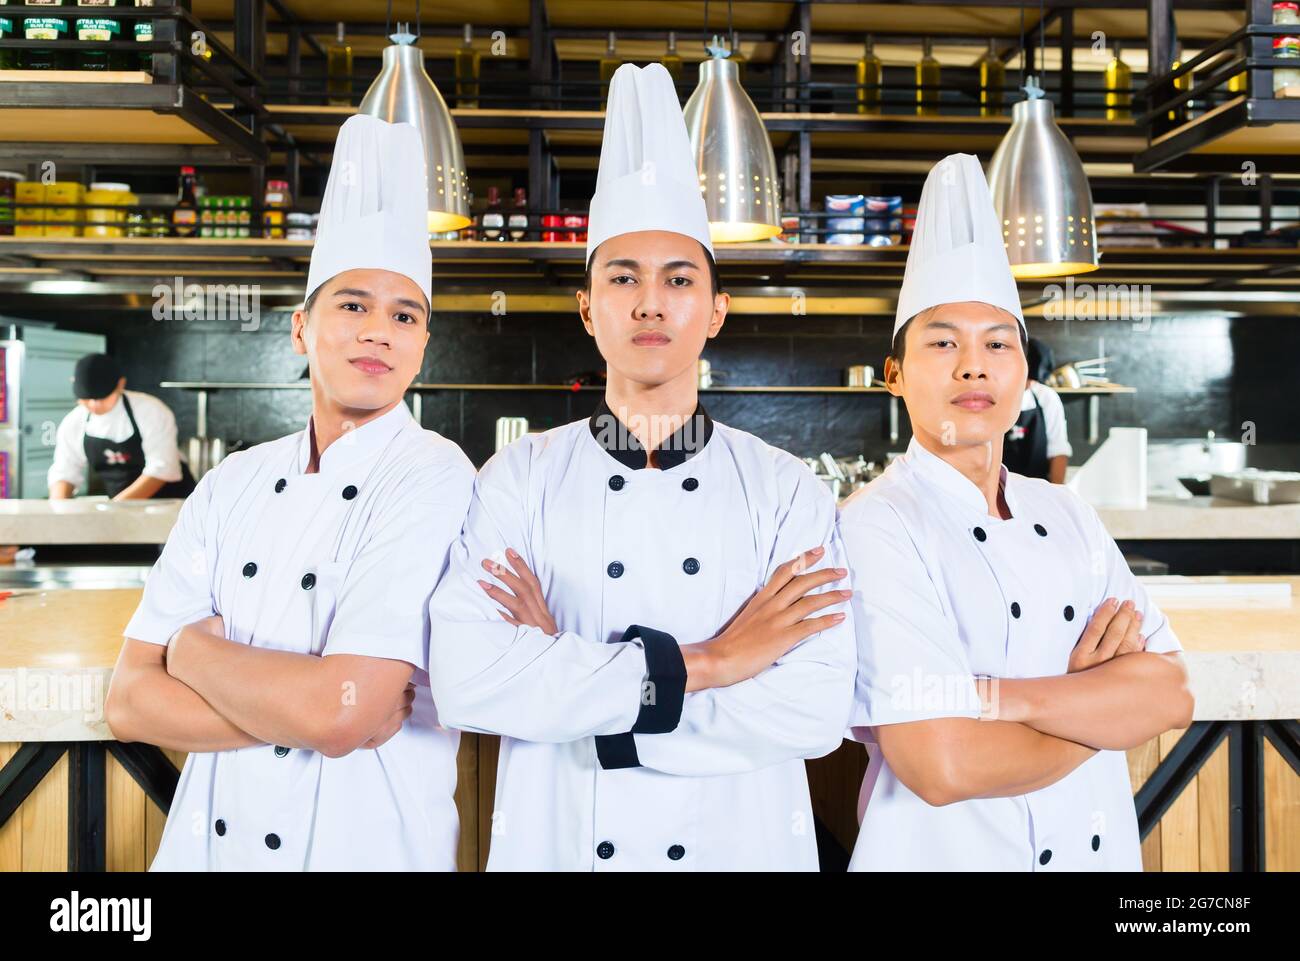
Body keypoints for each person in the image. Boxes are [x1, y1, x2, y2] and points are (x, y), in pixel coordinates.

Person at [427, 63, 856, 871]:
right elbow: (469, 683)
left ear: (716, 311)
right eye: (622, 278)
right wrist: (721, 663)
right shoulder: (516, 477)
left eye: (679, 279)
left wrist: (570, 677)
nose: (650, 303)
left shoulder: (785, 488)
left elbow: (814, 707)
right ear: (588, 308)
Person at [104, 115, 475, 871]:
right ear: (302, 329)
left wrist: (190, 648)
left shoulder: (435, 473)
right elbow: (129, 703)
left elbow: (345, 716)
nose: (379, 331)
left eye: (406, 316)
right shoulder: (232, 480)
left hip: (365, 850)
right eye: (353, 305)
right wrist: (310, 707)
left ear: (422, 346)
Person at [838, 153, 1193, 871]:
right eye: (943, 343)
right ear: (897, 375)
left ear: (1024, 374)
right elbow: (942, 763)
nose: (974, 366)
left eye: (998, 344)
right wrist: (1097, 709)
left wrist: (986, 696)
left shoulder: (1068, 513)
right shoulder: (874, 523)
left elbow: (1171, 694)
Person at [48, 353, 196, 500]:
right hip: (121, 506)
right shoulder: (74, 422)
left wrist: (115, 508)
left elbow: (162, 468)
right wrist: (58, 510)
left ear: (120, 384)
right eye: (87, 399)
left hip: (170, 503)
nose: (95, 404)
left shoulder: (151, 410)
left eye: (103, 397)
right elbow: (65, 471)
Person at [1003, 337, 1072, 483]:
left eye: (1032, 380)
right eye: (1024, 378)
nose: (1028, 384)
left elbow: (1058, 449)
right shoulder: (991, 396)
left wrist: (1057, 492)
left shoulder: (1046, 397)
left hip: (1037, 488)